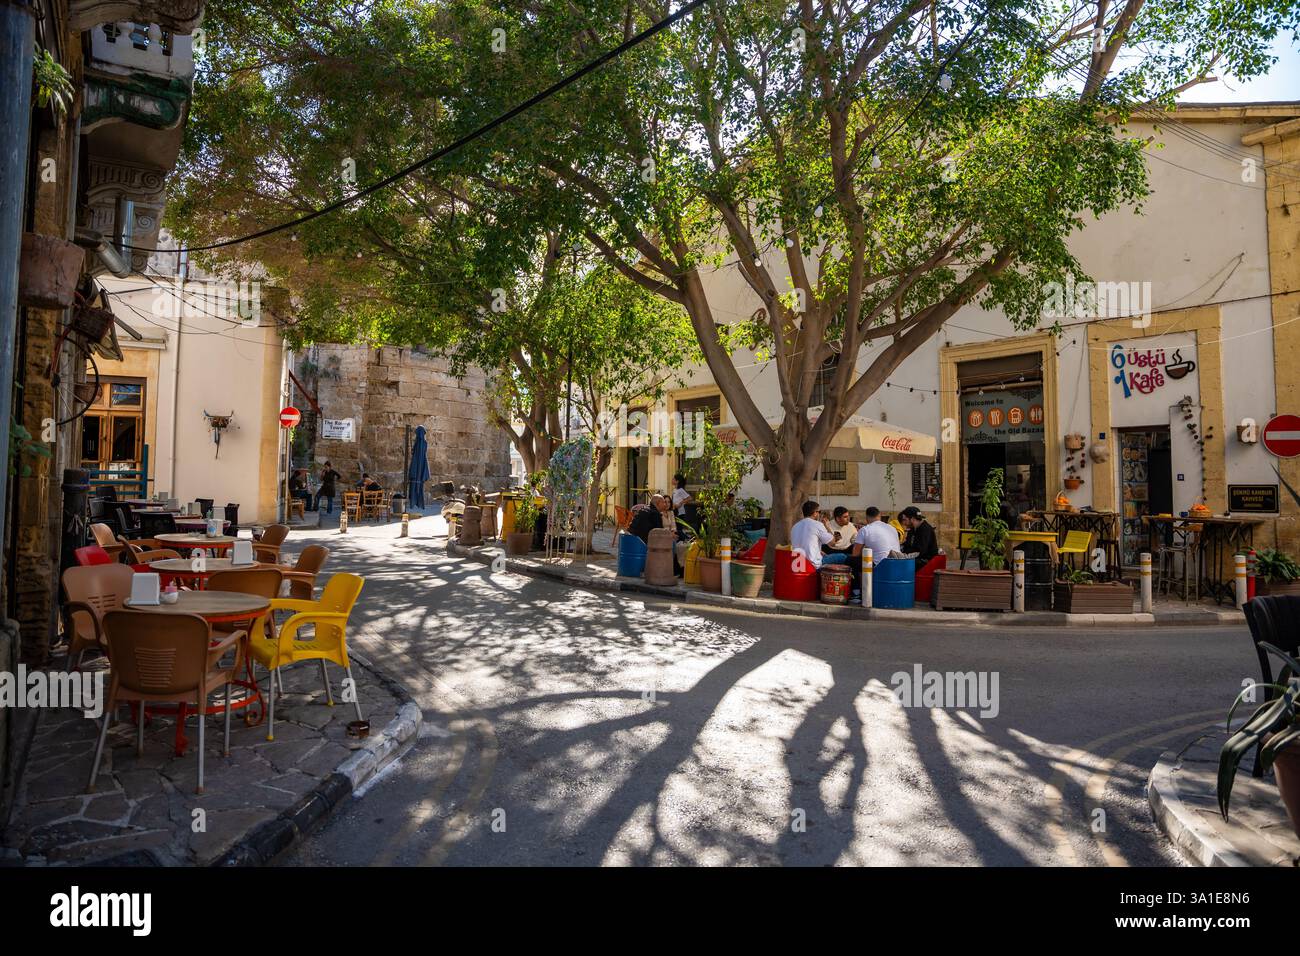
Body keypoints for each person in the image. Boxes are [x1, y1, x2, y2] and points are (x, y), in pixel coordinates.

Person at [629, 494, 681, 575]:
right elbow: (660, 535)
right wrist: (670, 536)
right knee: (672, 543)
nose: (665, 505)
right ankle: (672, 570)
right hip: (646, 542)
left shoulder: (644, 509)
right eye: (663, 502)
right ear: (658, 503)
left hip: (635, 541)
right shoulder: (655, 514)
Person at [791, 500, 847, 569]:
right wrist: (826, 526)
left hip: (799, 564)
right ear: (815, 513)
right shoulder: (817, 524)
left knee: (825, 555)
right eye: (819, 512)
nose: (819, 514)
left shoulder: (795, 526)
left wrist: (819, 551)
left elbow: (804, 544)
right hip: (813, 564)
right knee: (843, 556)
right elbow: (832, 542)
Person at [850, 506, 902, 575]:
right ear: (879, 516)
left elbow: (855, 554)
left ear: (867, 518)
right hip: (897, 563)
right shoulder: (892, 528)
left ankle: (857, 585)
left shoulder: (865, 529)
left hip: (879, 565)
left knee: (850, 560)